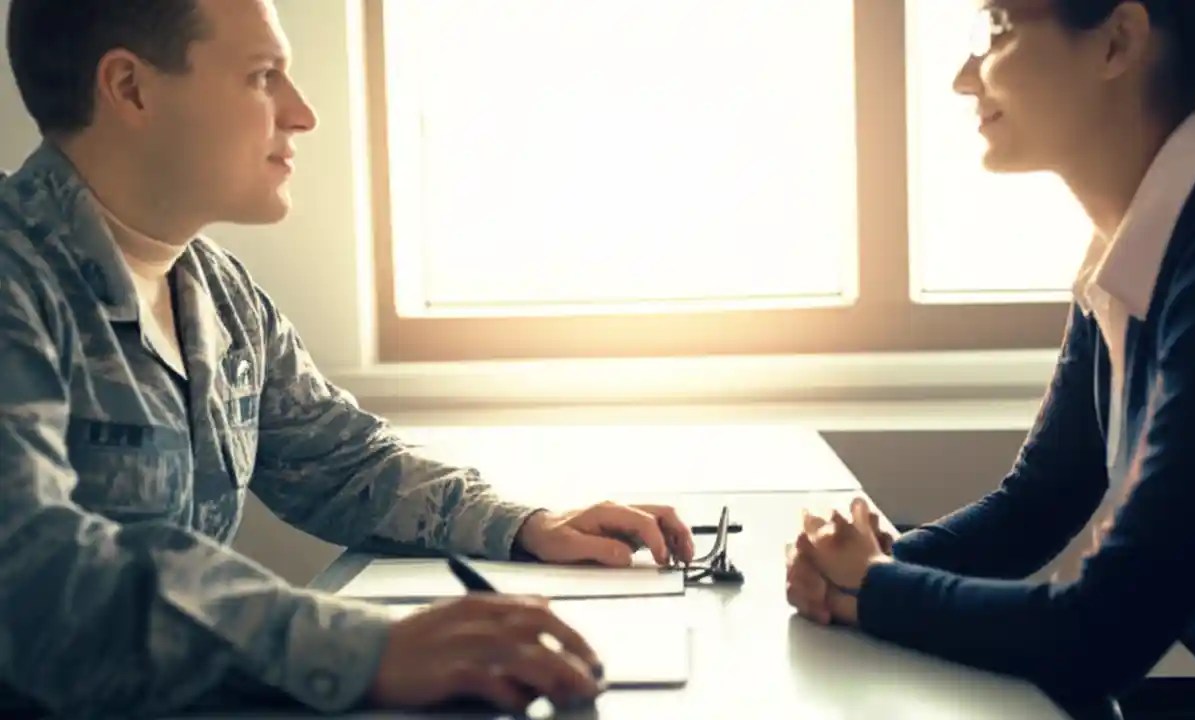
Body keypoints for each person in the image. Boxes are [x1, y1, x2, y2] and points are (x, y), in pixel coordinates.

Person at [0, 0, 698, 716]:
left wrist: (524, 524)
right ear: (130, 88)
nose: (302, 114)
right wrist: (362, 648)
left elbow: (343, 462)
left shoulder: (216, 289)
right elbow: (30, 571)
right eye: (262, 75)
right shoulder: (14, 279)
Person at [786, 1, 1195, 719]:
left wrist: (873, 587)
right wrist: (872, 563)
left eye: (999, 30)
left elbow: (1101, 632)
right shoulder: (1144, 242)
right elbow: (1037, 505)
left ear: (1117, 40)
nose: (964, 77)